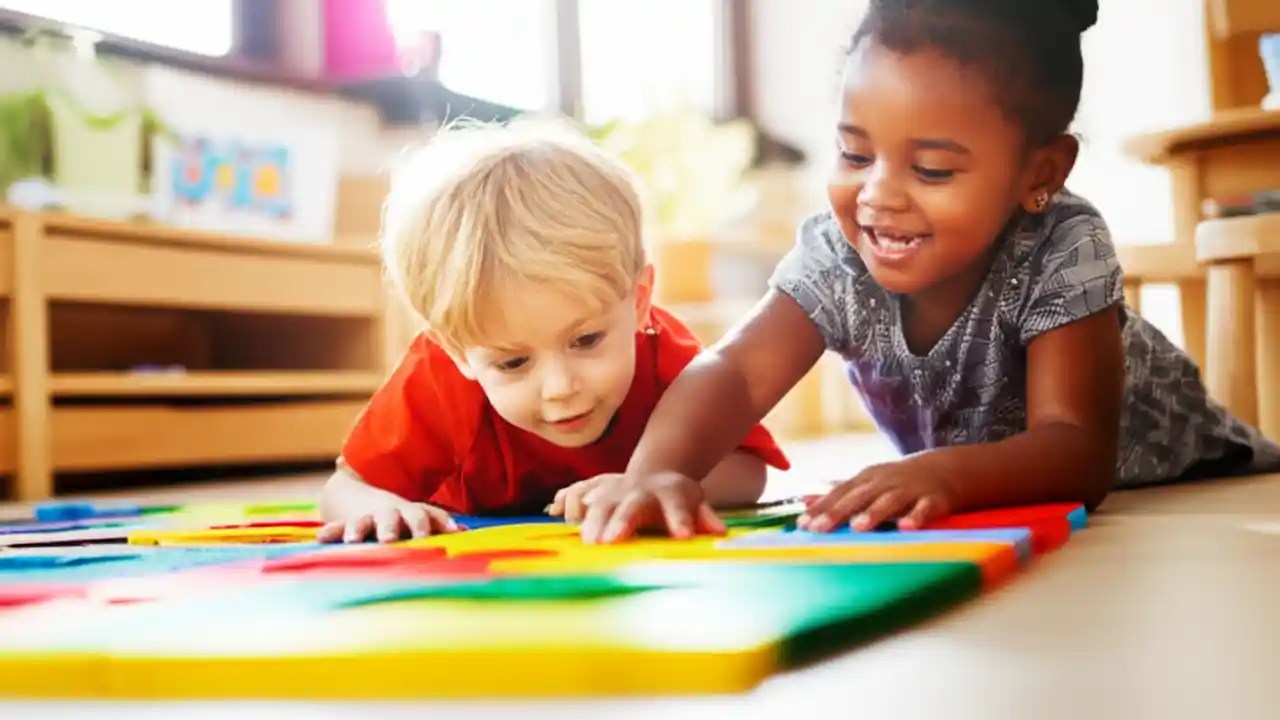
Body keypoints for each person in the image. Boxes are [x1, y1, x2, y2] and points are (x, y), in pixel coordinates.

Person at [579, 0, 1280, 544]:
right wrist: (655, 474)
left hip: (1191, 485)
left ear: (1042, 173)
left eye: (932, 169)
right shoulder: (840, 253)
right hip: (1003, 495)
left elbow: (1076, 451)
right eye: (855, 155)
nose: (879, 193)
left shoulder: (1063, 241)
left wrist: (943, 473)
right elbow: (734, 372)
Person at [317, 119, 789, 544]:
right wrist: (378, 510)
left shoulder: (670, 358)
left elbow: (749, 471)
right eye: (513, 363)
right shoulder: (440, 380)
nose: (561, 387)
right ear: (457, 350)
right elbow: (346, 488)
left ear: (639, 301)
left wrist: (654, 482)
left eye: (586, 340)